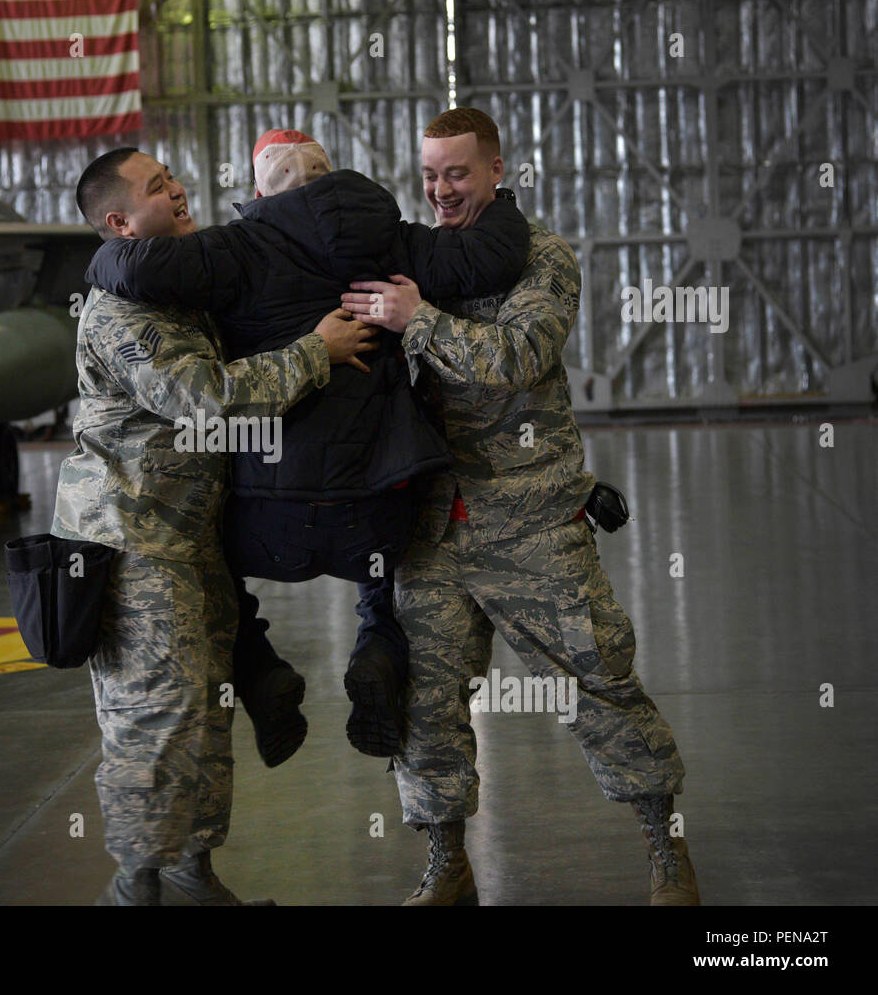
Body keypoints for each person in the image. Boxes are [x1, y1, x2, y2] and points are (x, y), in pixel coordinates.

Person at [342, 107, 699, 906]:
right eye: (429, 174)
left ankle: (665, 851)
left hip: (532, 522)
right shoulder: (417, 263)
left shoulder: (544, 258)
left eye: (457, 173)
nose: (440, 190)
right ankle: (446, 864)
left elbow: (519, 355)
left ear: (498, 169)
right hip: (431, 529)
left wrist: (419, 321)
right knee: (425, 704)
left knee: (599, 682)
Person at [86, 129, 529, 767]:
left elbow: (137, 266)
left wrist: (98, 258)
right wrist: (503, 199)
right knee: (399, 556)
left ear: (260, 193)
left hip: (263, 519)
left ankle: (260, 669)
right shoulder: (389, 238)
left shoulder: (234, 248)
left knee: (205, 552)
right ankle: (377, 645)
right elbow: (490, 258)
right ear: (332, 179)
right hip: (371, 515)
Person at [51, 146, 377, 906]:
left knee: (201, 709)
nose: (179, 191)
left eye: (173, 178)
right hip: (133, 543)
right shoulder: (125, 310)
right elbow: (207, 399)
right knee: (153, 722)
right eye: (159, 188)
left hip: (188, 539)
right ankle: (133, 889)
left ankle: (191, 878)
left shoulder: (178, 286)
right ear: (119, 222)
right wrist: (316, 352)